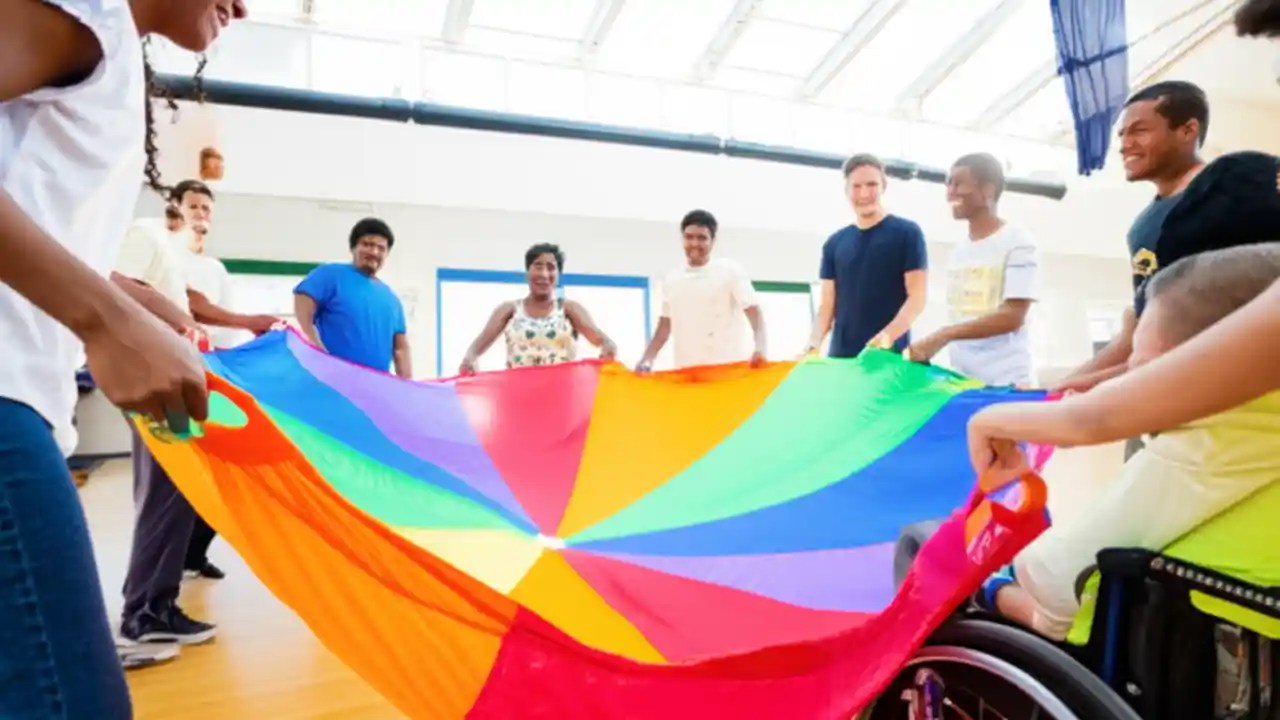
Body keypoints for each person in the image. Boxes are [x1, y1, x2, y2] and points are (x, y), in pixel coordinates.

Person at [0, 0, 245, 715]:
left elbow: (42, 229)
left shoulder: (104, 45)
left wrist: (133, 304)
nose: (244, 6)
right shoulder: (92, 14)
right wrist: (104, 319)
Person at [970, 244, 1280, 642]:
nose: (1129, 374)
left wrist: (997, 588)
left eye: (1140, 363)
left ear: (1200, 362)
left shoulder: (1204, 448)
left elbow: (1053, 580)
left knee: (962, 567)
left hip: (1188, 653)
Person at [1055, 81, 1280, 394]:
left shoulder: (1237, 181)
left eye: (1139, 130)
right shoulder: (1143, 227)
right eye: (1122, 135)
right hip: (1163, 393)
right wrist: (1060, 389)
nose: (1124, 144)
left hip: (1237, 391)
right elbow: (1138, 331)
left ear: (1187, 131)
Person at [907, 153, 1040, 387]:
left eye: (958, 183)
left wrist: (943, 335)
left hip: (1008, 381)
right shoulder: (959, 252)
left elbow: (1013, 316)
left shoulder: (1018, 241)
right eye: (948, 184)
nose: (950, 191)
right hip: (965, 381)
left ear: (987, 190)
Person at [805, 153, 928, 357]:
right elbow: (827, 305)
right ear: (847, 190)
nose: (864, 193)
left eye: (872, 185)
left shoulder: (908, 233)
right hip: (842, 359)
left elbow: (917, 298)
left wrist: (886, 338)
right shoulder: (834, 243)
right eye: (856, 186)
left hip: (888, 357)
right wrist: (813, 344)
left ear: (883, 186)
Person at [636, 209, 766, 372]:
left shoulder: (730, 271)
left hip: (727, 371)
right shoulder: (672, 278)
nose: (694, 244)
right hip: (687, 373)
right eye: (689, 237)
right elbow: (664, 326)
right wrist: (647, 359)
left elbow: (754, 312)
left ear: (713, 240)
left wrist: (760, 347)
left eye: (702, 238)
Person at [459, 243, 617, 373]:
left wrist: (608, 345)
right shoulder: (509, 310)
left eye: (551, 268)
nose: (544, 274)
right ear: (527, 272)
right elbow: (477, 346)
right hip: (519, 399)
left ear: (558, 275)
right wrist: (470, 358)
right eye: (538, 266)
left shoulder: (568, 309)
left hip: (562, 399)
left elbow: (598, 338)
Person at [294, 217, 413, 377]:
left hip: (376, 387)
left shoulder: (391, 299)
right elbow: (303, 312)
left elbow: (400, 349)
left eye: (381, 248)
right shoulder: (330, 275)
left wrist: (408, 390)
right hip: (331, 381)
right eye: (367, 245)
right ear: (353, 247)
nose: (374, 252)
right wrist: (317, 352)